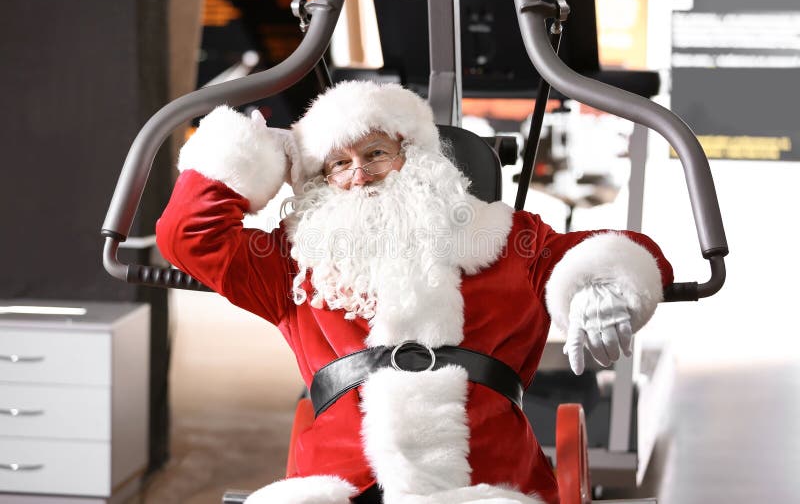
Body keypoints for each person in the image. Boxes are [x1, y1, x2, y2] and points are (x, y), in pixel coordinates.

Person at [156, 81, 673, 504]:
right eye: (337, 164)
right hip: (341, 489)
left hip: (485, 486)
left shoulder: (507, 239)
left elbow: (607, 250)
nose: (359, 175)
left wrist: (603, 285)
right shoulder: (295, 263)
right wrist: (256, 152)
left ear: (417, 158)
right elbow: (187, 234)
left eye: (375, 153)